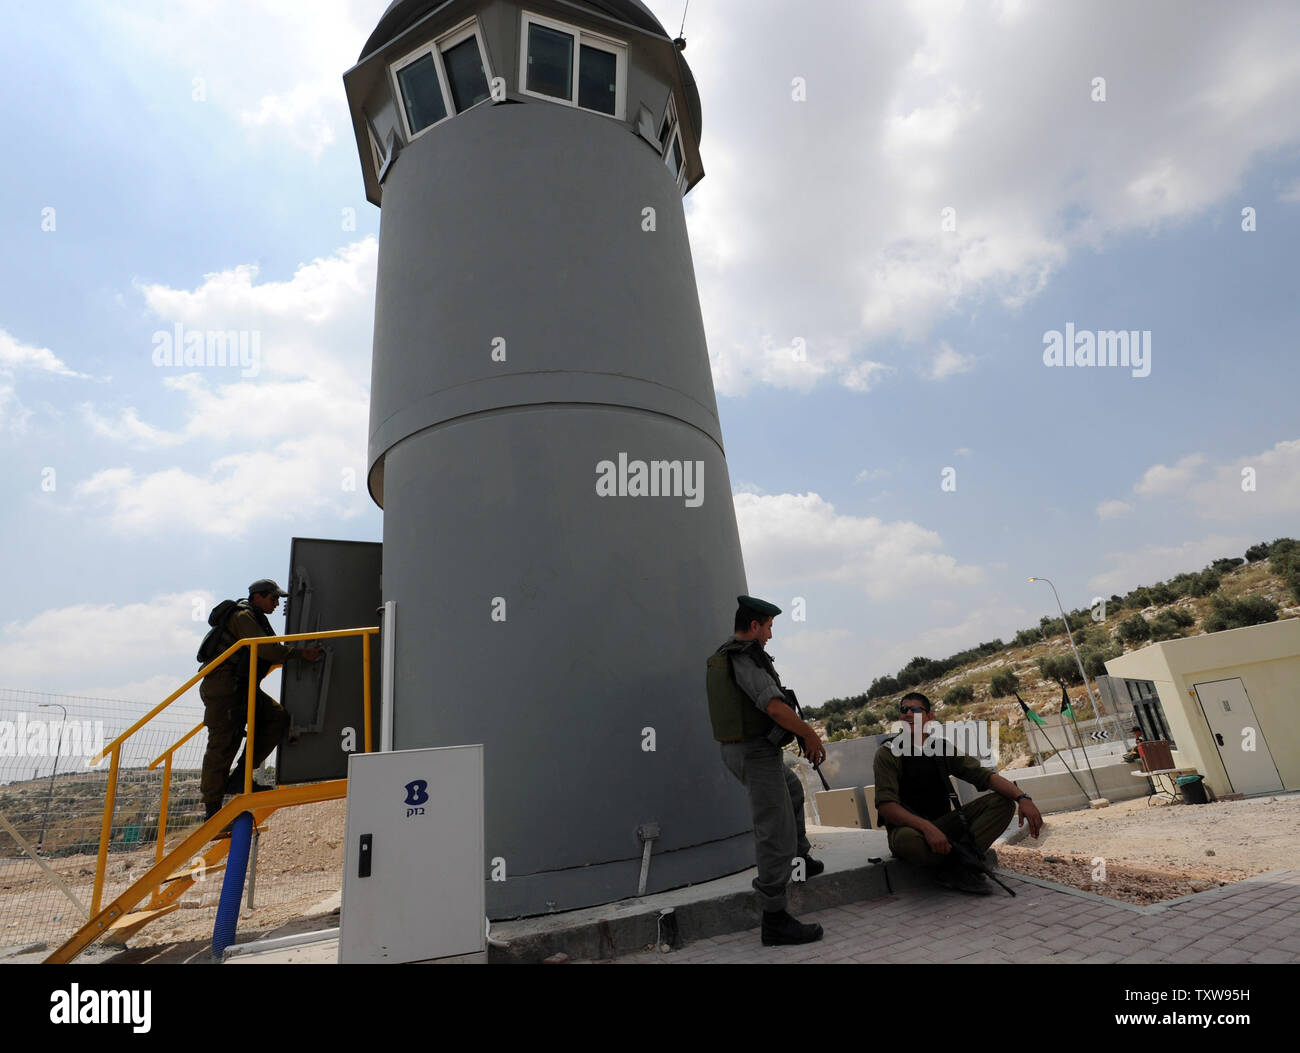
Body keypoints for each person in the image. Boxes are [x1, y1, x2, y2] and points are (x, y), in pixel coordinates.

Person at [706, 595, 828, 945]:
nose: (771, 635)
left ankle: (799, 858)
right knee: (774, 830)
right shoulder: (743, 657)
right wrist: (808, 733)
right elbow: (773, 706)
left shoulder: (736, 655)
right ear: (755, 625)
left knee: (791, 790)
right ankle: (775, 918)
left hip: (754, 750)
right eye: (769, 627)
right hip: (753, 754)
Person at [873, 691, 1043, 895]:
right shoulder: (889, 752)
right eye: (904, 710)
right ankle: (961, 864)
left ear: (929, 717)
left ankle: (960, 866)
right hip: (908, 830)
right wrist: (926, 827)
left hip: (944, 824)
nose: (909, 714)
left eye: (916, 709)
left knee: (1003, 803)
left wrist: (1022, 797)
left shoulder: (941, 748)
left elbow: (983, 776)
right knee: (910, 842)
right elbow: (886, 806)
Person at [199, 579, 321, 822]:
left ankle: (240, 777)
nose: (276, 603)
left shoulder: (256, 618)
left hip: (240, 687)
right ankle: (212, 812)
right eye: (273, 598)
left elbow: (270, 650)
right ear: (257, 597)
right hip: (223, 687)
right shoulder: (243, 616)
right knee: (222, 744)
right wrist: (300, 654)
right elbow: (269, 650)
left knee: (276, 717)